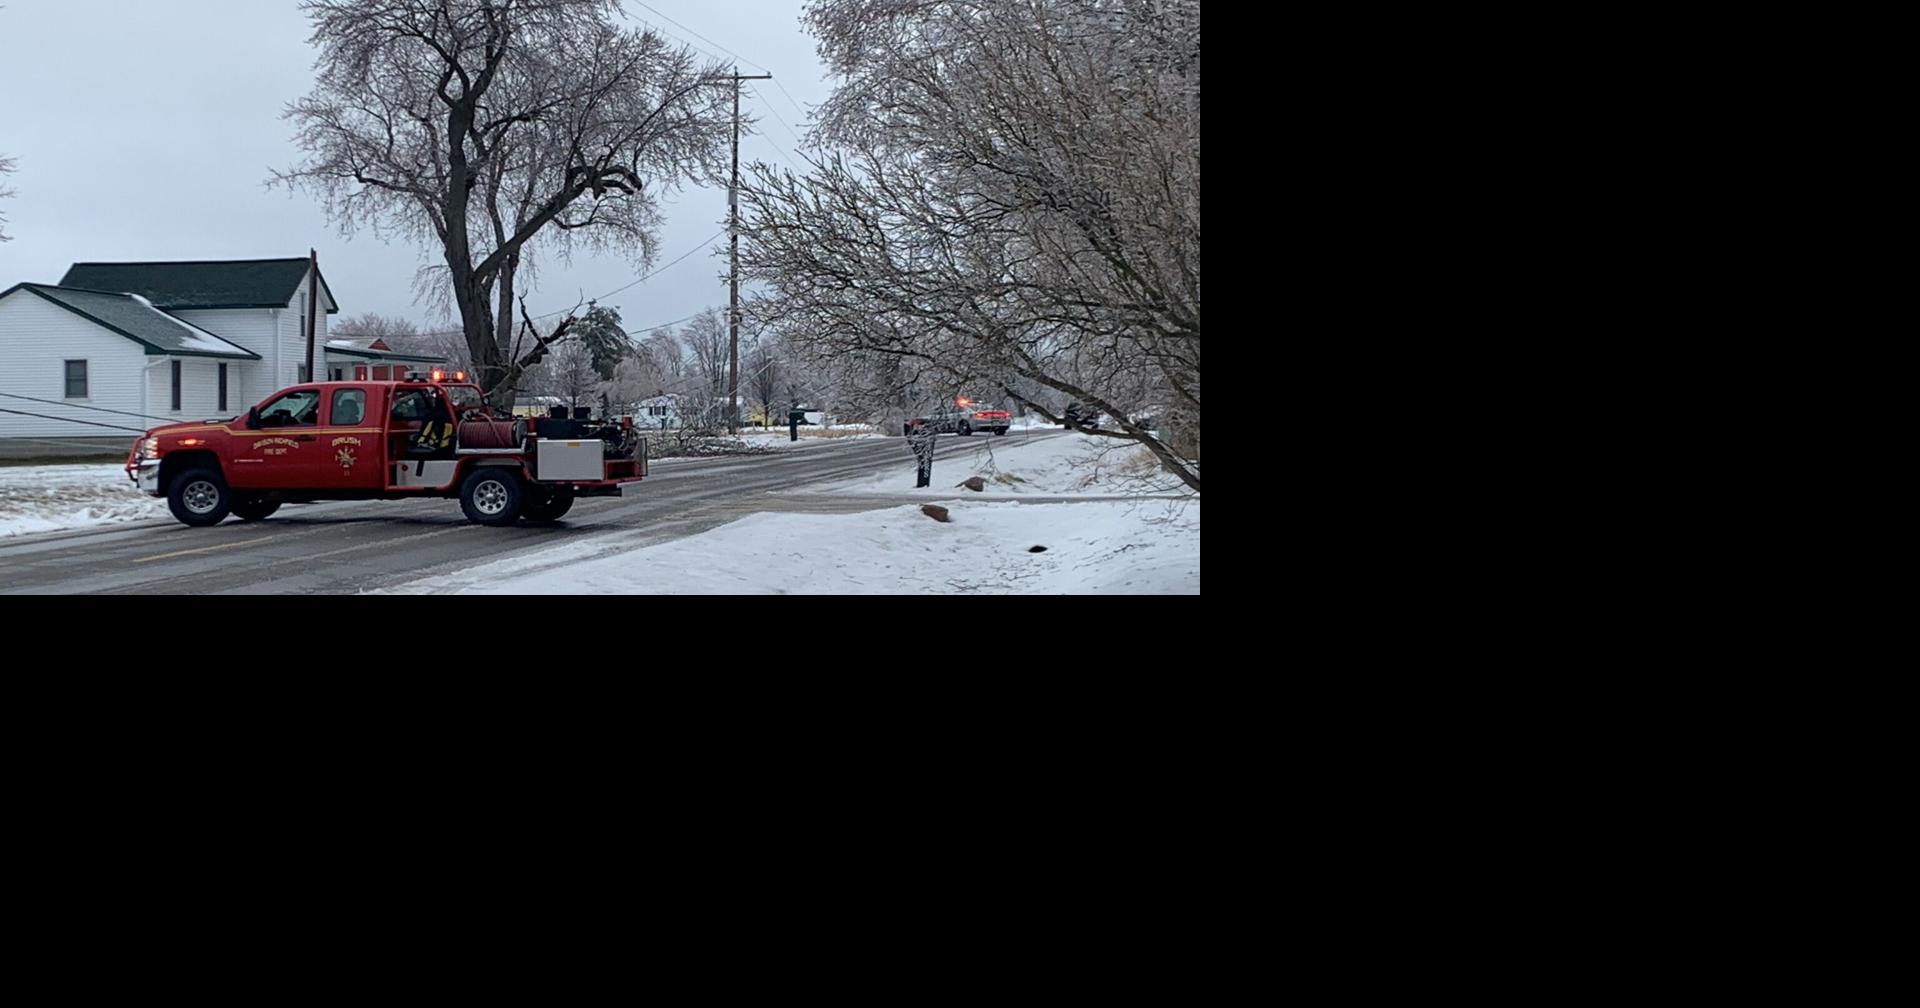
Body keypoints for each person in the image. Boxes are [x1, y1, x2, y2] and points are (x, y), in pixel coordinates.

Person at [905, 419, 936, 487]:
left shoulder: (928, 434)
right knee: (923, 461)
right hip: (921, 444)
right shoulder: (913, 435)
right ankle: (922, 483)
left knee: (925, 461)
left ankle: (923, 483)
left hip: (925, 444)